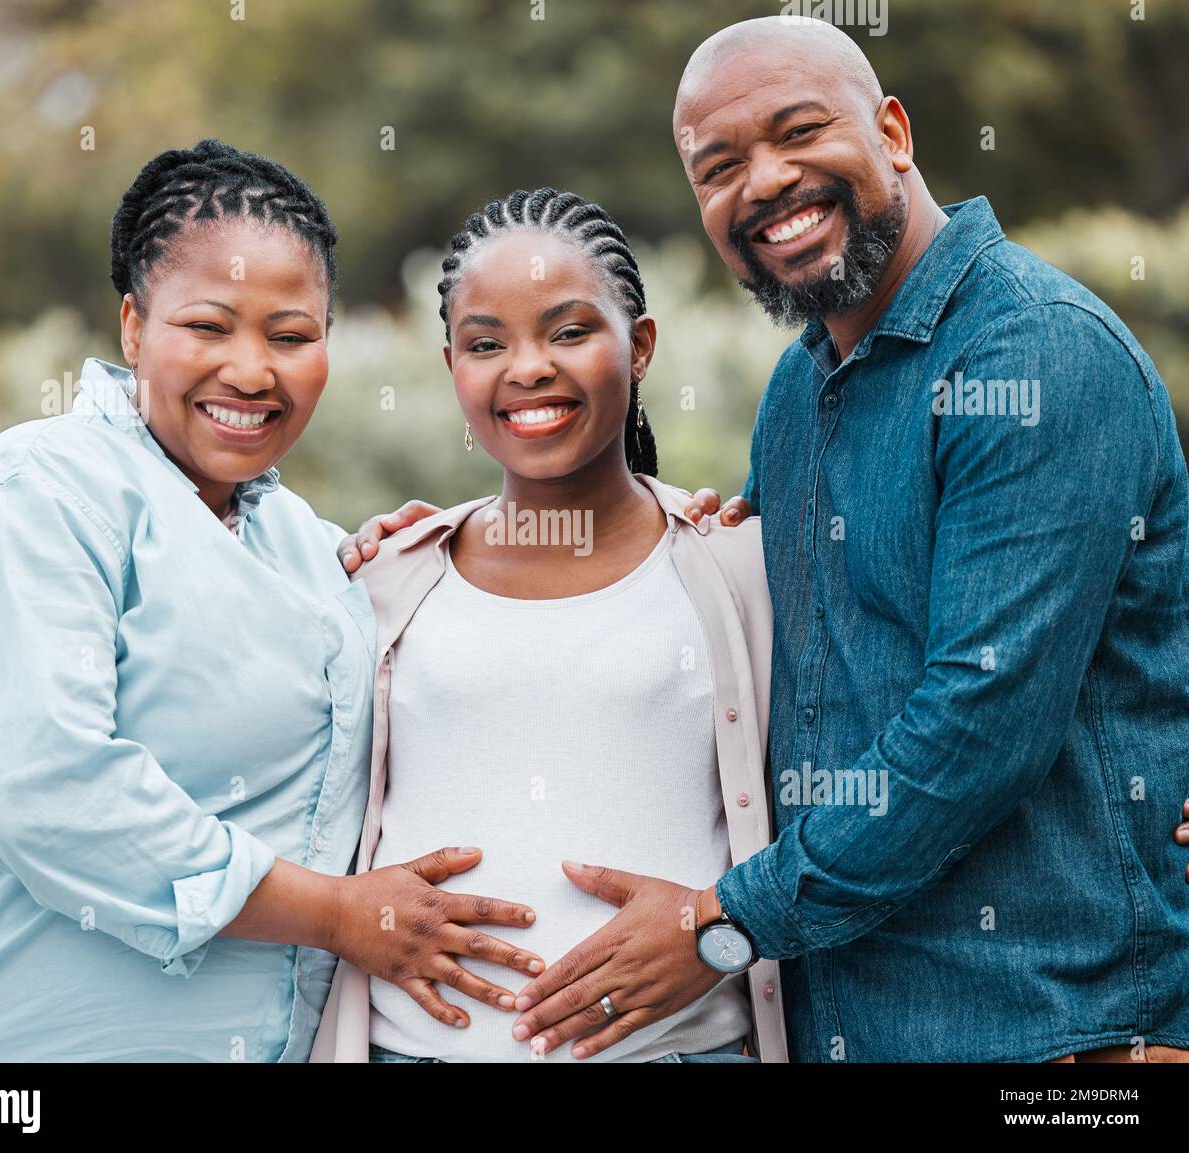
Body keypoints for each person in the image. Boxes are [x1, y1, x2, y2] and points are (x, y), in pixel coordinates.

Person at [343, 19, 1189, 1063]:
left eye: (798, 133)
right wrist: (429, 543)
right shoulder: (803, 389)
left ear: (891, 130)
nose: (767, 182)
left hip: (1051, 1033)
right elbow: (741, 599)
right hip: (850, 1024)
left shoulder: (1037, 355)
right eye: (721, 166)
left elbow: (979, 726)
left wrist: (718, 922)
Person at [0, 139, 540, 1061]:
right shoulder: (41, 493)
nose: (251, 371)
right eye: (207, 326)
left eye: (291, 335)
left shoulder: (311, 549)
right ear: (131, 328)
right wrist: (338, 915)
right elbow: (43, 788)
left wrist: (682, 536)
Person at [311, 188, 786, 1063]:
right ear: (451, 364)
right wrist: (351, 911)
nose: (527, 368)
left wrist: (717, 927)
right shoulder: (383, 576)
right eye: (487, 344)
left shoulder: (739, 565)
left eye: (569, 332)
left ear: (639, 347)